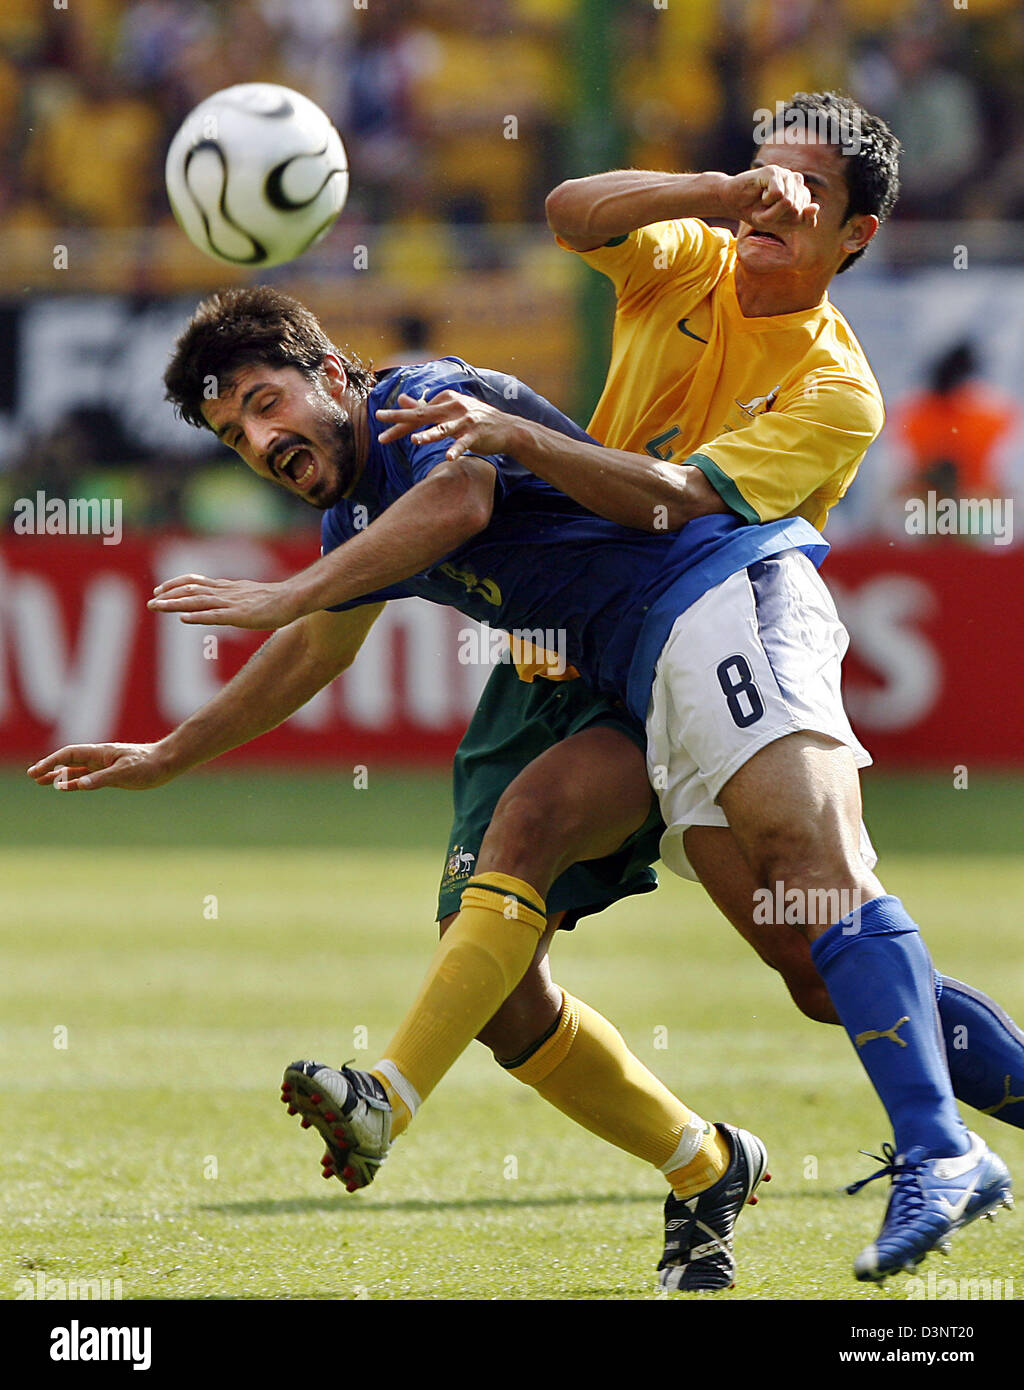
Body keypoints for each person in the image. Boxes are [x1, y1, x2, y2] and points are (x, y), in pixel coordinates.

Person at [31, 274, 1012, 1287]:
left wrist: (287, 589)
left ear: (330, 372)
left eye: (265, 402)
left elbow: (461, 497)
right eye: (234, 435)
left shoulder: (419, 401)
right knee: (814, 970)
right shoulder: (353, 518)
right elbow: (312, 652)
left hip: (717, 593)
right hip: (644, 678)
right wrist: (166, 754)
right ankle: (736, 1162)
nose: (259, 441)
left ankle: (935, 1153)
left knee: (813, 878)